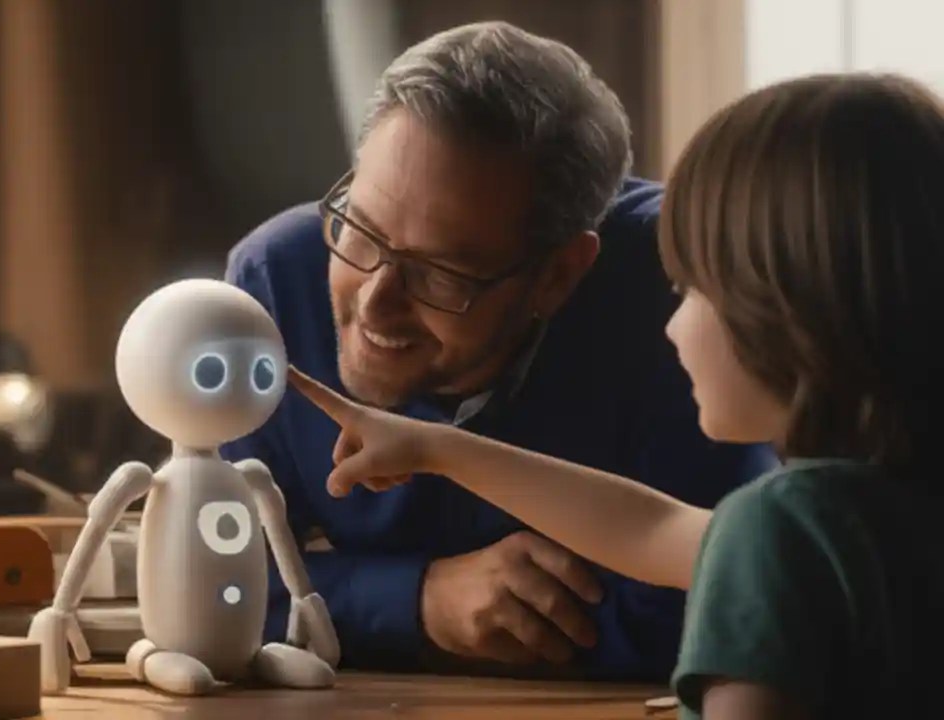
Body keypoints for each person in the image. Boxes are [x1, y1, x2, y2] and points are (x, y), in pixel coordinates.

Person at [286, 71, 944, 719]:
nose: (671, 324)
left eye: (692, 290)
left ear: (790, 318)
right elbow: (646, 526)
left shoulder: (776, 532)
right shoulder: (867, 515)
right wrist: (440, 449)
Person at [220, 21, 775, 678]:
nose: (373, 303)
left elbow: (724, 607)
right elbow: (219, 584)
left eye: (439, 273)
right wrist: (418, 601)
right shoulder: (273, 285)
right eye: (360, 229)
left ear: (559, 273)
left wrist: (345, 596)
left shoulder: (684, 299)